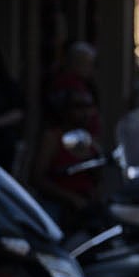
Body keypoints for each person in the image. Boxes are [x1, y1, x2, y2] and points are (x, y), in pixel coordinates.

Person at [29, 87, 102, 226]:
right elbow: (37, 178)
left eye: (89, 107)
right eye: (78, 107)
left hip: (85, 204)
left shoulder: (90, 139)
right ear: (66, 110)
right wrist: (71, 198)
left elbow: (98, 178)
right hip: (57, 204)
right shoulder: (52, 138)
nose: (85, 113)